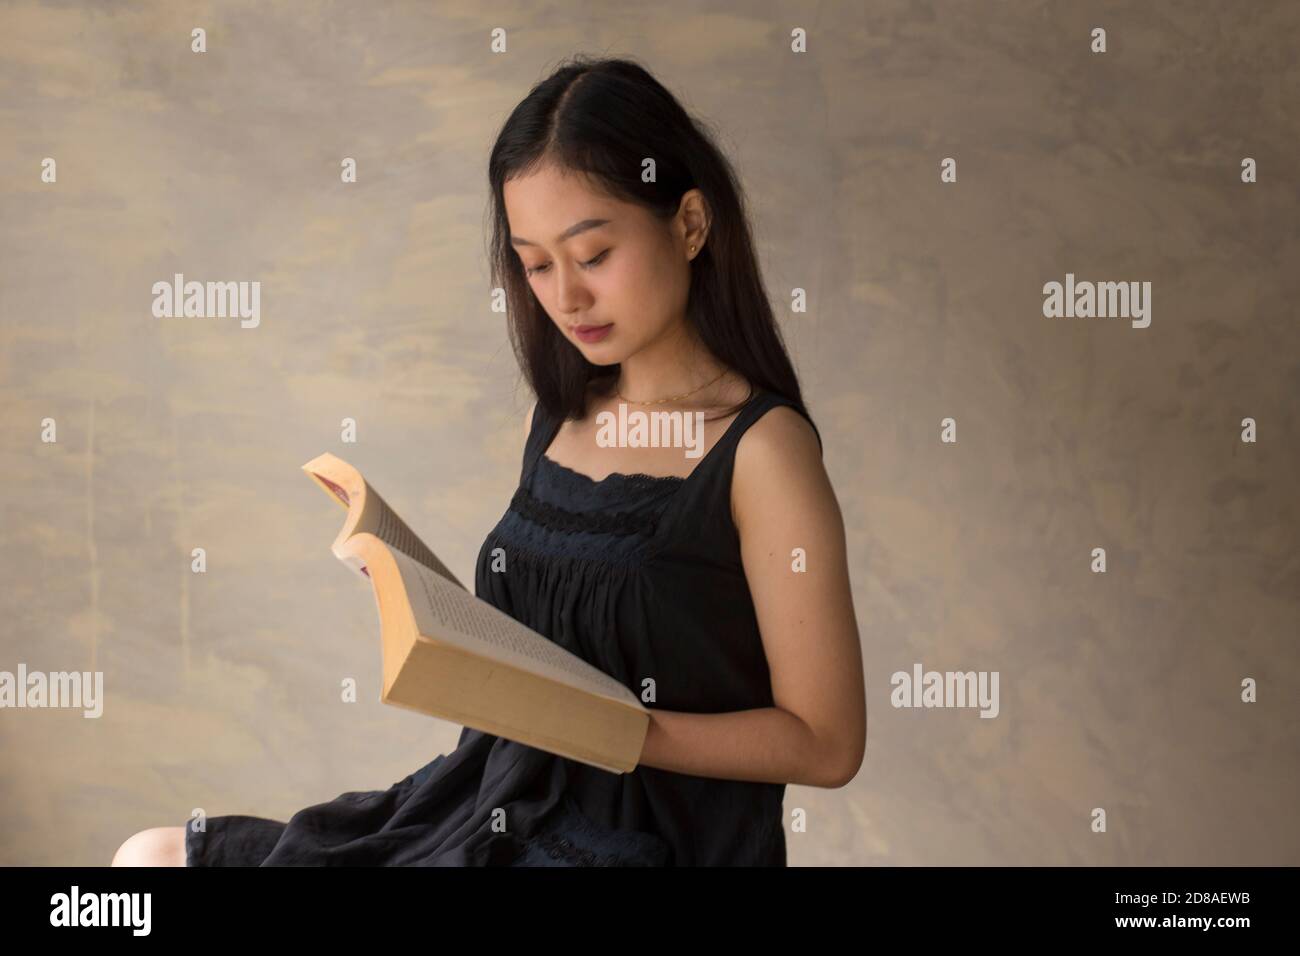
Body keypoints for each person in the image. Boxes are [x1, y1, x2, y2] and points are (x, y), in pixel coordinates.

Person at [112, 54, 864, 868]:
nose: (566, 297)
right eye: (536, 264)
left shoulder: (763, 451)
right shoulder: (560, 418)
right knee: (150, 856)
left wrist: (623, 732)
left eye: (593, 254)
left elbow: (826, 743)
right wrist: (425, 611)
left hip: (640, 846)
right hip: (493, 810)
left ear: (688, 224)